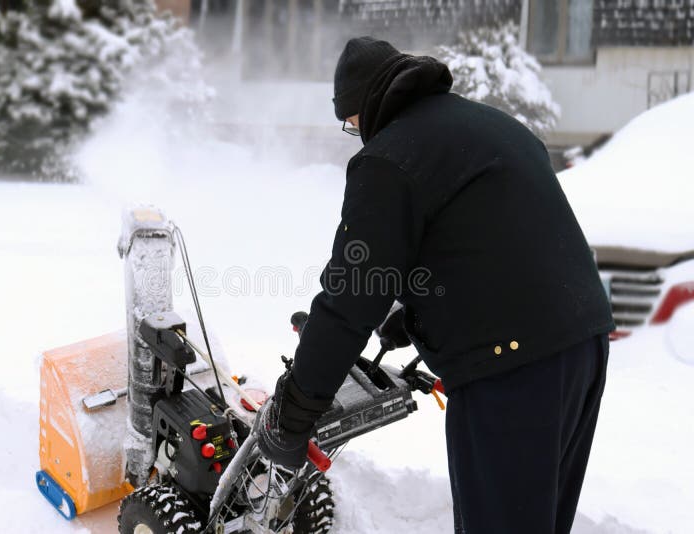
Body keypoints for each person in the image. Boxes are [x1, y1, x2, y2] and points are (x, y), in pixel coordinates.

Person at [256, 37, 614, 534]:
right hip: (583, 344)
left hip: (511, 369)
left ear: (365, 107)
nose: (355, 133)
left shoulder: (388, 159)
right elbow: (491, 241)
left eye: (351, 122)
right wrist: (421, 313)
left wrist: (294, 412)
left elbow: (349, 298)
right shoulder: (491, 124)